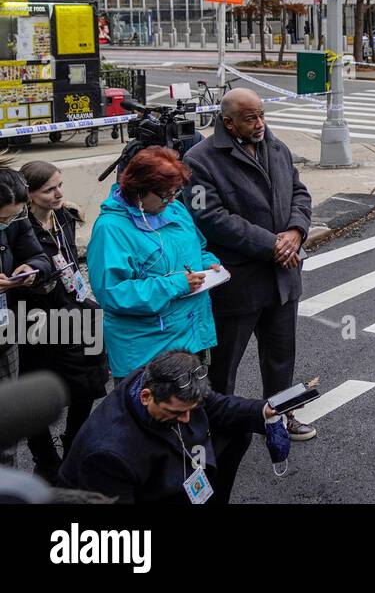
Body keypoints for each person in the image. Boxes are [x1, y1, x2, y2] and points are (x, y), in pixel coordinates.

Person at [183, 89, 315, 441]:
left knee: (281, 358)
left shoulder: (276, 148)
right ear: (229, 123)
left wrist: (296, 232)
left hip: (282, 278)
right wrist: (273, 245)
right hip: (238, 286)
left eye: (261, 115)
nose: (259, 123)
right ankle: (216, 427)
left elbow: (300, 193)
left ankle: (281, 417)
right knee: (224, 365)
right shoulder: (200, 160)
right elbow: (211, 218)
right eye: (250, 118)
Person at [58, 348, 285, 504]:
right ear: (146, 397)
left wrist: (263, 410)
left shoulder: (162, 380)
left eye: (191, 409)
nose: (186, 419)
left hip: (164, 474)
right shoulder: (108, 455)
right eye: (176, 412)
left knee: (237, 427)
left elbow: (216, 405)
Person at [86, 146, 222, 381]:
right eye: (165, 195)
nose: (171, 200)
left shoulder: (175, 209)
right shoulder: (110, 229)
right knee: (150, 405)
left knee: (194, 403)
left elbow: (197, 248)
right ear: (139, 190)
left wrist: (209, 263)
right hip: (148, 351)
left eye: (175, 192)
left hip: (191, 336)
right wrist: (177, 284)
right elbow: (113, 293)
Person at [16, 162, 108, 483]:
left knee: (89, 381)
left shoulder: (64, 216)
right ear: (29, 194)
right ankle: (45, 458)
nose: (58, 193)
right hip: (35, 319)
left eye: (60, 185)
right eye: (49, 189)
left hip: (74, 308)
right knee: (36, 392)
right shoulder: (19, 228)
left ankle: (73, 442)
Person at [0, 168, 53, 468]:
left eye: (12, 218)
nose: (7, 224)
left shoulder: (17, 216)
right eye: (2, 220)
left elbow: (39, 256)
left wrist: (32, 270)